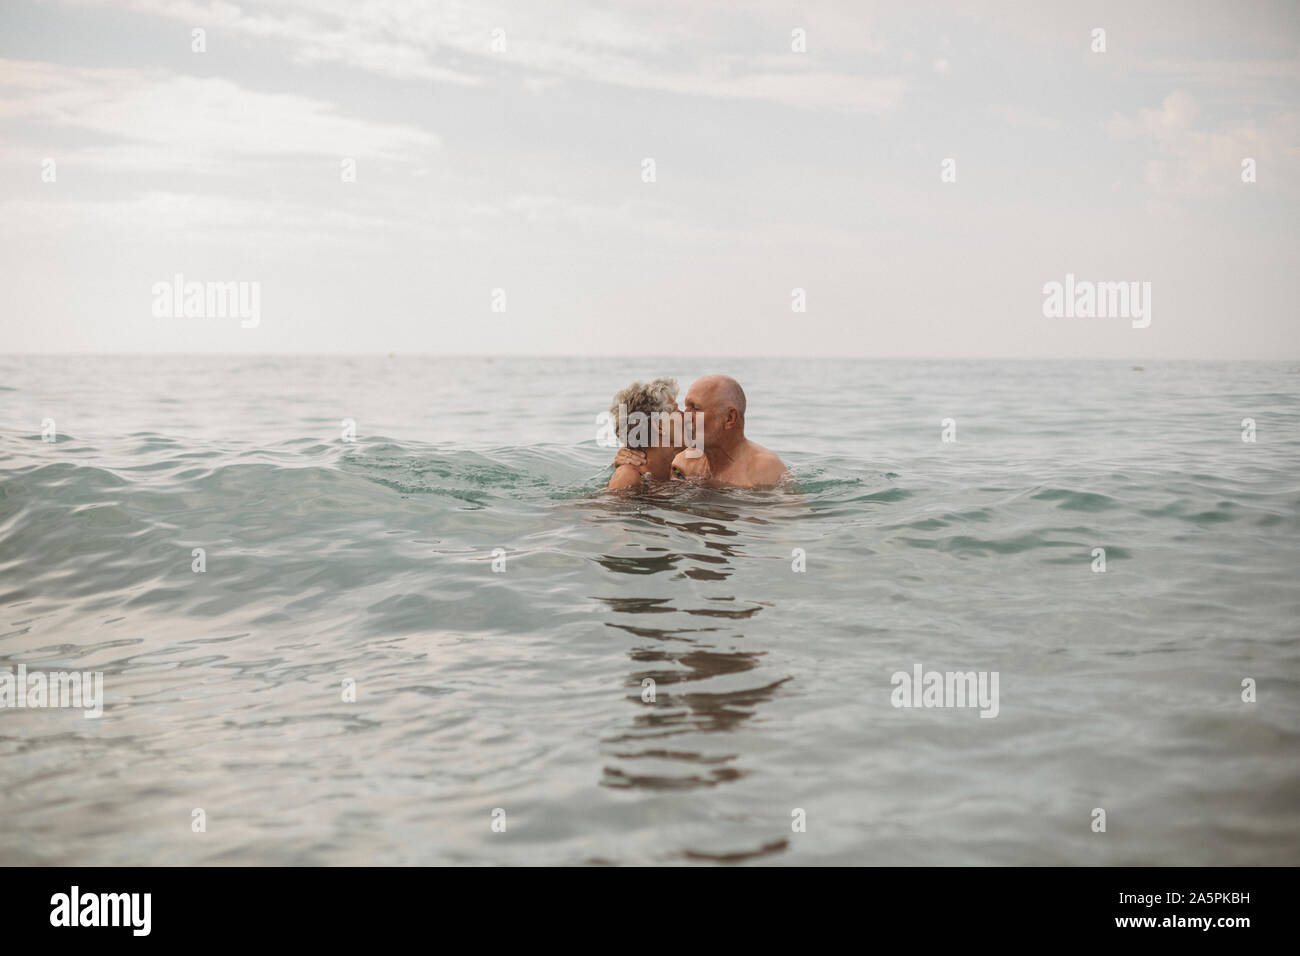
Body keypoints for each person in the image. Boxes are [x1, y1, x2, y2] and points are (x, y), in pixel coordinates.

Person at [614, 374, 787, 488]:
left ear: (729, 419)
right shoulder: (681, 465)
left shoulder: (765, 470)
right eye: (680, 410)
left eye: (694, 408)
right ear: (659, 426)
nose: (686, 416)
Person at [605, 377, 686, 490]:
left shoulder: (677, 472)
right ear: (658, 425)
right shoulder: (629, 478)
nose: (686, 415)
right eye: (676, 411)